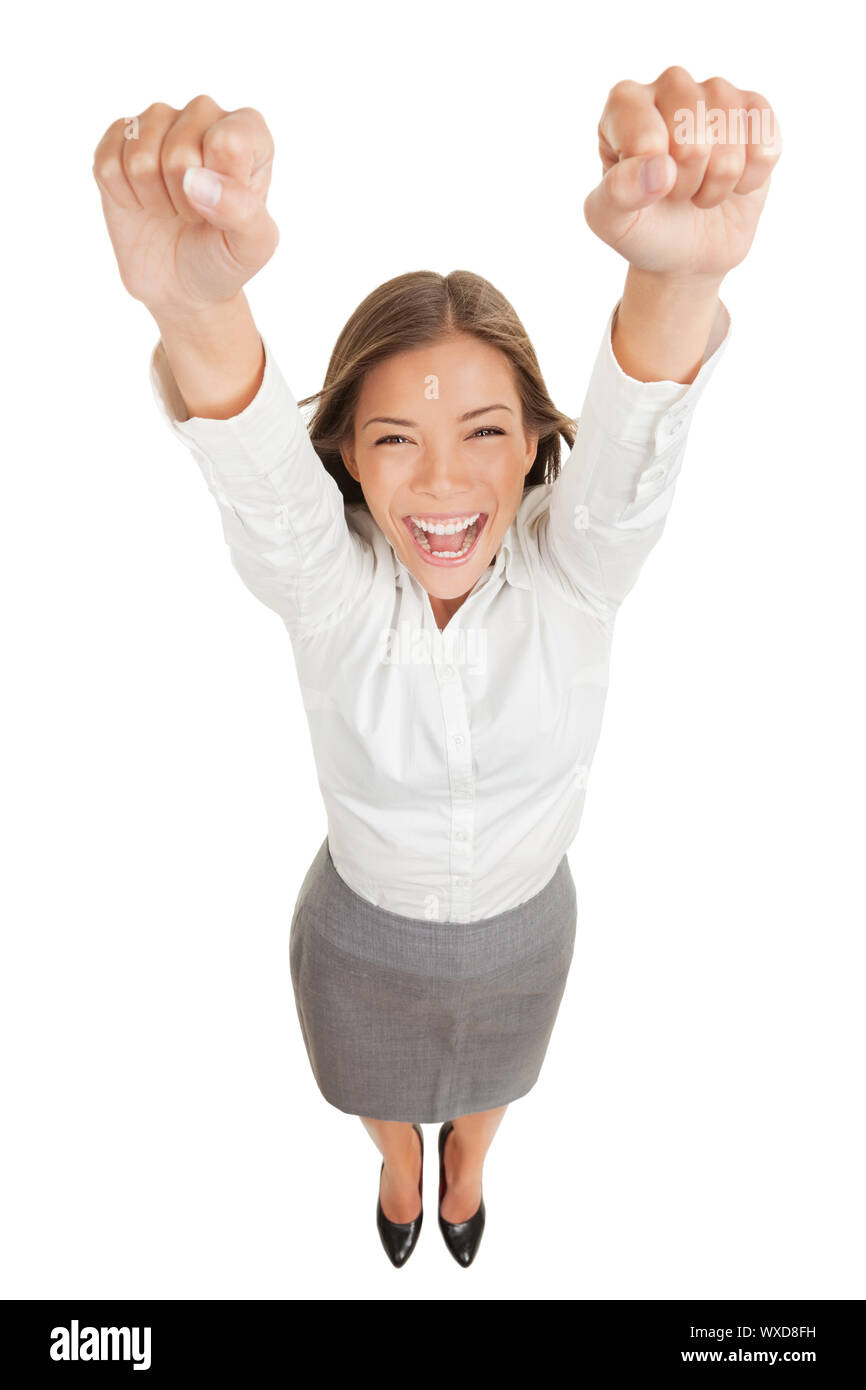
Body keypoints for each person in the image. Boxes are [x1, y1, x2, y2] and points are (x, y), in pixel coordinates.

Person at [92, 70, 781, 1269]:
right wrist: (193, 310)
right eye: (396, 439)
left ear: (533, 446)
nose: (446, 484)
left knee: (495, 1074)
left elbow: (629, 467)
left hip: (526, 932)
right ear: (349, 462)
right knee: (369, 1079)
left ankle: (466, 1162)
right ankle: (398, 1162)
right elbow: (262, 487)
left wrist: (677, 274)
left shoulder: (578, 571)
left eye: (483, 434)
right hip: (361, 936)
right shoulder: (330, 588)